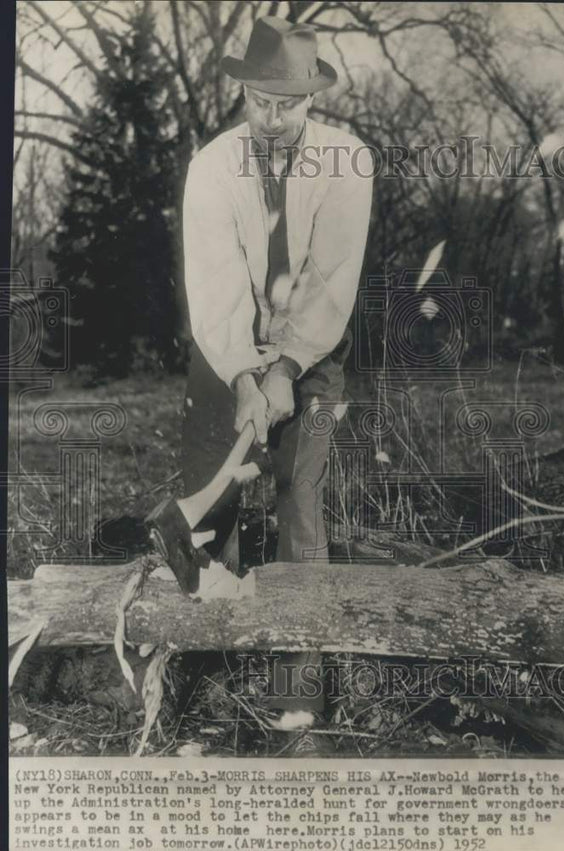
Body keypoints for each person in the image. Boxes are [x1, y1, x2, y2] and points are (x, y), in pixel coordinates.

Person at [148, 15, 373, 732]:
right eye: (260, 103)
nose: (273, 120)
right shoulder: (213, 166)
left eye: (289, 104)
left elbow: (329, 281)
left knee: (298, 499)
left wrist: (285, 370)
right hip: (225, 348)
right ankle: (202, 665)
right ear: (242, 91)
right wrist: (246, 374)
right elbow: (214, 284)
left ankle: (295, 692)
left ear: (313, 99)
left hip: (314, 347)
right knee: (210, 510)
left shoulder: (349, 161)